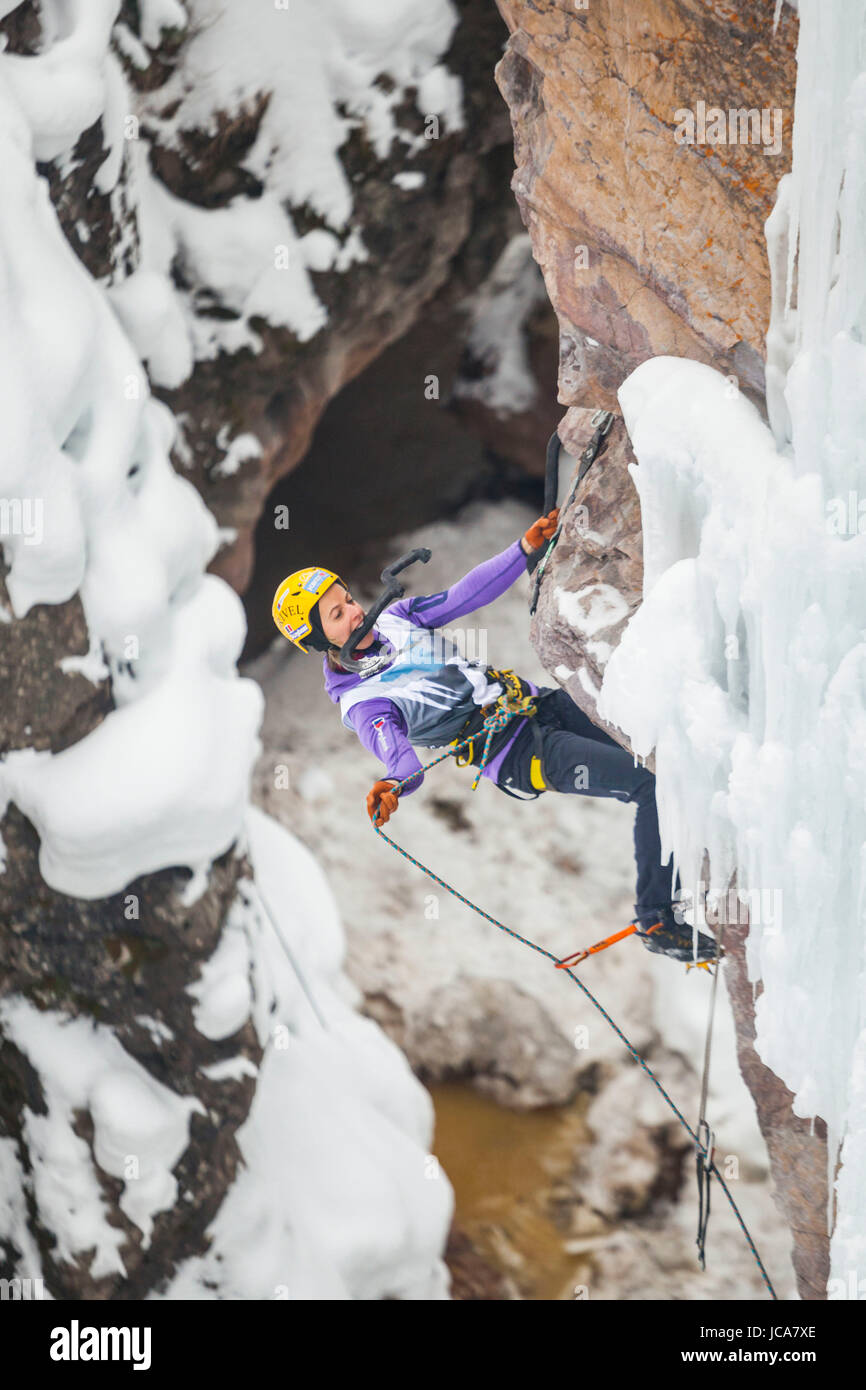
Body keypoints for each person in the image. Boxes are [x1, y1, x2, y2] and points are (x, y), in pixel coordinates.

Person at [272, 513, 717, 963]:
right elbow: (400, 759)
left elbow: (464, 596)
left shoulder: (396, 620)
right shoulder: (363, 703)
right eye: (336, 614)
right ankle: (657, 918)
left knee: (652, 739)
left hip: (537, 706)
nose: (354, 612)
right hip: (518, 753)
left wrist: (523, 550)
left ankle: (702, 829)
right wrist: (394, 785)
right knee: (649, 783)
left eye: (347, 600)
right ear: (315, 638)